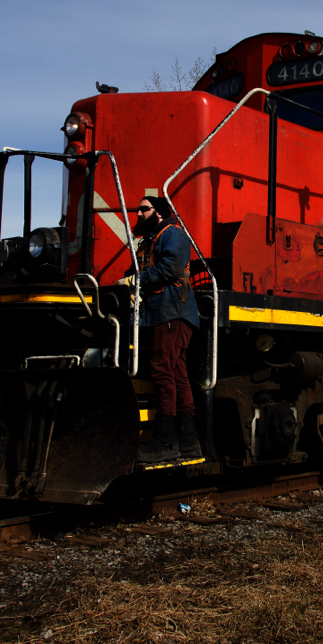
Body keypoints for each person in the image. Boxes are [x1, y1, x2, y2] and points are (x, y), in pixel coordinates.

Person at [122, 196, 201, 463]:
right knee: (177, 373)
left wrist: (134, 281)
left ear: (159, 212)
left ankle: (165, 441)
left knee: (161, 369)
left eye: (144, 209)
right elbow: (136, 273)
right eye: (138, 209)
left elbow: (171, 268)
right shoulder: (149, 241)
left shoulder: (172, 233)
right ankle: (188, 440)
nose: (138, 213)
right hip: (163, 314)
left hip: (171, 313)